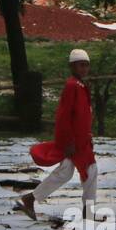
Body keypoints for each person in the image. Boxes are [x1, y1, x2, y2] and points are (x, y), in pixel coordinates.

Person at [16, 49, 96, 221]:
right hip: (75, 142)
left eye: (86, 65)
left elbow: (82, 116)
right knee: (88, 171)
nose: (84, 69)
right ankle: (87, 212)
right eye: (81, 65)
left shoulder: (81, 86)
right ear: (72, 66)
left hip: (82, 141)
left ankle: (31, 198)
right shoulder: (72, 86)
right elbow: (63, 116)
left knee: (73, 172)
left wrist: (87, 136)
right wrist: (67, 142)